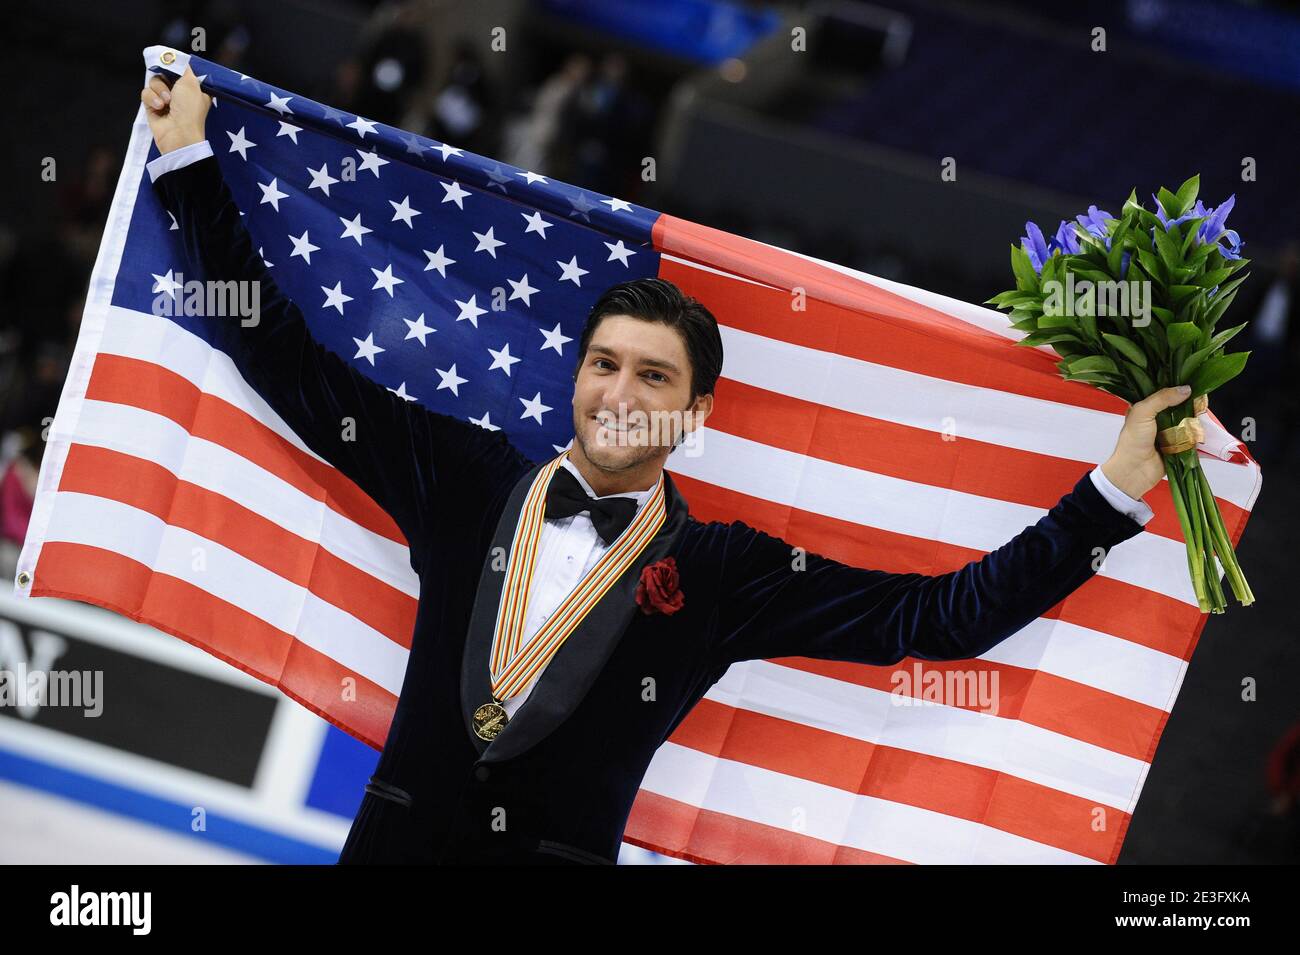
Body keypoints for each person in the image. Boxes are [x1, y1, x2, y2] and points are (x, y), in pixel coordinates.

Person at [140, 67, 1186, 865]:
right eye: (603, 365)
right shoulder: (461, 474)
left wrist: (1110, 492)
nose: (619, 396)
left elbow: (939, 620)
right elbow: (286, 358)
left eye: (652, 378)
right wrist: (188, 162)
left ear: (696, 413)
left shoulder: (726, 572)